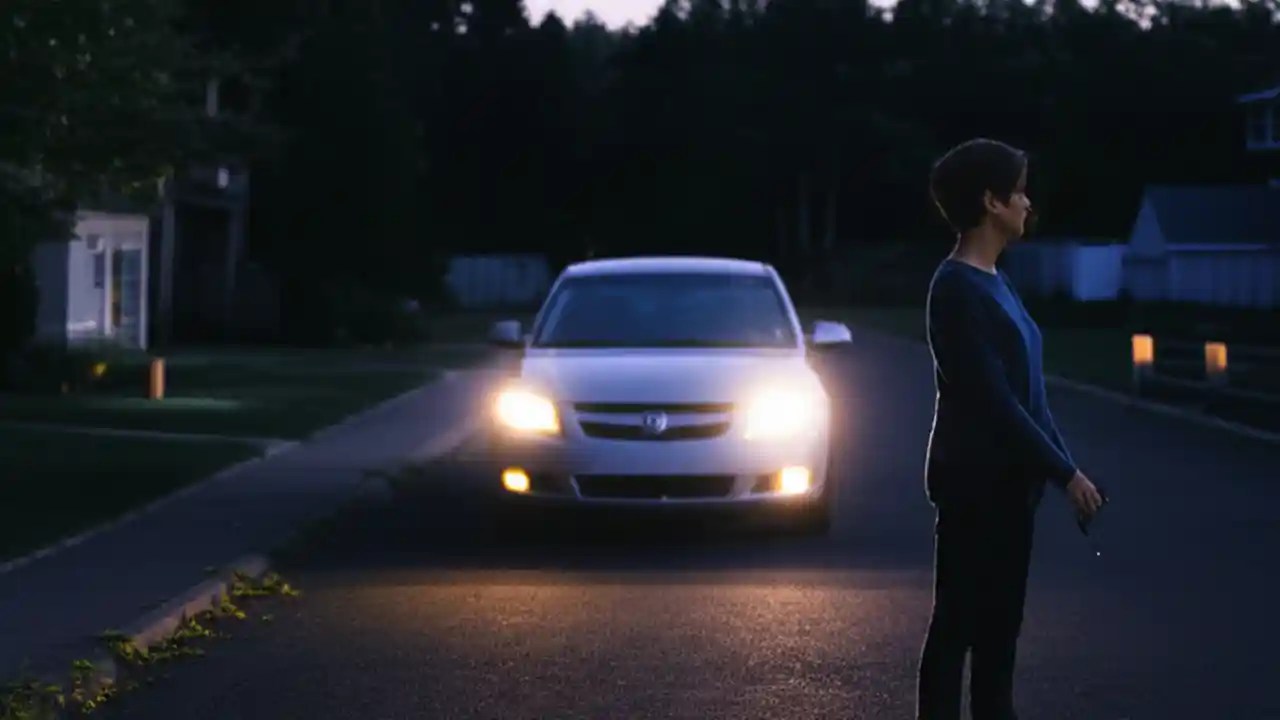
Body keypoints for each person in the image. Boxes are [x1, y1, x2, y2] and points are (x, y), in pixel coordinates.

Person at [915, 138, 1105, 720]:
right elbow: (993, 402)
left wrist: (1067, 467)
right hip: (973, 487)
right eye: (1018, 191)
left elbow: (1032, 397)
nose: (1027, 202)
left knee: (999, 636)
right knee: (958, 629)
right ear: (991, 201)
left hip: (1009, 491)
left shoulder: (997, 282)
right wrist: (1063, 472)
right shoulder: (954, 290)